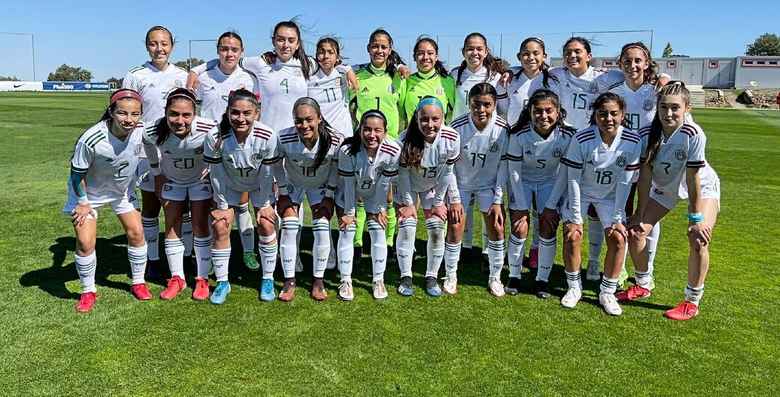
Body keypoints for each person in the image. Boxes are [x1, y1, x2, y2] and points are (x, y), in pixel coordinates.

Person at [625, 81, 721, 321]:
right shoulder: (647, 133)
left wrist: (696, 219)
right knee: (636, 233)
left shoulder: (693, 134)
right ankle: (643, 283)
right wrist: (640, 212)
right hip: (665, 188)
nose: (669, 113)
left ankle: (692, 300)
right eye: (664, 107)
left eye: (675, 108)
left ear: (686, 108)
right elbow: (645, 179)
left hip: (702, 186)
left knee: (698, 238)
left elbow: (693, 180)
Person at [64, 89, 149, 312]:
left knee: (137, 233)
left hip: (120, 191)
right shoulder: (92, 139)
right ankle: (88, 290)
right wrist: (82, 202)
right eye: (122, 113)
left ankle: (138, 282)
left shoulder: (142, 130)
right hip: (86, 194)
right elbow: (76, 175)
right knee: (85, 242)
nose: (129, 119)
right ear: (111, 112)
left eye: (135, 114)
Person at [559, 92, 642, 314]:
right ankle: (574, 287)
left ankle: (607, 291)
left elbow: (625, 182)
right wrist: (576, 217)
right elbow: (573, 179)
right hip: (582, 192)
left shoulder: (633, 140)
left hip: (609, 196)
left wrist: (617, 217)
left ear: (622, 115)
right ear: (595, 115)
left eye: (614, 114)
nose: (608, 119)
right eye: (603, 114)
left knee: (618, 237)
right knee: (572, 234)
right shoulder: (582, 138)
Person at [192, 31, 260, 270]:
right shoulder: (204, 76)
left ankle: (248, 252)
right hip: (209, 148)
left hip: (238, 147)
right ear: (217, 50)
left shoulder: (250, 78)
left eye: (234, 49)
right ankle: (211, 254)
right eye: (224, 48)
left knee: (242, 202)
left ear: (241, 52)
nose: (229, 53)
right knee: (214, 203)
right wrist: (197, 70)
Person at [204, 89, 280, 302]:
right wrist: (221, 203)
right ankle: (222, 282)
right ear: (228, 112)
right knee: (220, 226)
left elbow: (267, 174)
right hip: (228, 185)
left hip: (258, 186)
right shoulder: (215, 136)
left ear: (257, 113)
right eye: (235, 112)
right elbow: (216, 173)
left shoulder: (267, 135)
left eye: (247, 113)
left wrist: (264, 204)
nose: (241, 118)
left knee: (266, 223)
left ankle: (267, 279)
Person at [142, 89, 218, 302]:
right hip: (172, 180)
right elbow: (148, 144)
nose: (179, 120)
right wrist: (157, 173)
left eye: (186, 115)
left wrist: (212, 175)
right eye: (174, 114)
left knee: (200, 225)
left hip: (199, 181)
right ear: (165, 112)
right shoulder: (153, 130)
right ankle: (177, 278)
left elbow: (220, 152)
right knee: (172, 224)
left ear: (195, 114)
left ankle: (202, 278)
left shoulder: (209, 129)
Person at [123, 25, 188, 271]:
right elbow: (126, 114)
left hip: (177, 151)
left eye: (164, 43)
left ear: (172, 46)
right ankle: (152, 258)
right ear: (146, 45)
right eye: (153, 43)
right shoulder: (135, 76)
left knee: (182, 206)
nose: (159, 48)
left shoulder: (182, 76)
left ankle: (186, 256)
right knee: (150, 206)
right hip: (144, 151)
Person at [502, 89, 575, 298]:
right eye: (538, 111)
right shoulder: (519, 135)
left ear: (559, 111)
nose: (543, 116)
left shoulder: (568, 135)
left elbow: (564, 174)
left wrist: (552, 206)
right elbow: (514, 172)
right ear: (530, 112)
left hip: (550, 182)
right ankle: (514, 276)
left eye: (549, 111)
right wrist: (521, 207)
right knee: (520, 227)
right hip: (522, 182)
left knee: (547, 226)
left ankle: (542, 280)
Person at [270, 97, 343, 302]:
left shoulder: (336, 139)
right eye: (299, 120)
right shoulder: (283, 137)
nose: (304, 125)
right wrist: (283, 193)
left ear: (319, 118)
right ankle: (289, 280)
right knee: (290, 224)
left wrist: (329, 196)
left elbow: (336, 170)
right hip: (294, 183)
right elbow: (276, 165)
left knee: (321, 225)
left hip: (320, 185)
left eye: (309, 119)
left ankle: (318, 280)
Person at [497, 36, 559, 270]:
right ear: (518, 57)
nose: (531, 57)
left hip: (547, 147)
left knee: (541, 207)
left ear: (544, 56)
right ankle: (514, 252)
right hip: (516, 146)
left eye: (536, 53)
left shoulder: (553, 79)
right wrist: (510, 71)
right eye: (526, 53)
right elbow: (502, 109)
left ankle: (536, 249)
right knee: (518, 204)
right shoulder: (511, 80)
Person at [395, 96, 462, 297]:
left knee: (436, 227)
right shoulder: (403, 139)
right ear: (416, 118)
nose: (430, 124)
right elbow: (403, 175)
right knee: (407, 227)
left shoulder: (452, 138)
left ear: (443, 118)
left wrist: (439, 202)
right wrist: (408, 204)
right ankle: (406, 276)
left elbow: (448, 173)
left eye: (435, 119)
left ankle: (431, 275)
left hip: (434, 187)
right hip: (408, 187)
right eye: (424, 119)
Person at [350, 29, 407, 263]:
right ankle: (357, 244)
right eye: (375, 46)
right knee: (361, 196)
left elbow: (403, 109)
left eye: (384, 46)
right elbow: (350, 106)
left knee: (389, 197)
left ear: (390, 50)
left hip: (389, 145)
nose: (379, 50)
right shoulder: (358, 76)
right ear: (368, 48)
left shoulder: (397, 77)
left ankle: (389, 242)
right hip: (364, 143)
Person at [449, 83, 508, 296]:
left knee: (496, 226)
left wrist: (498, 200)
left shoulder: (503, 129)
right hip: (461, 185)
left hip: (488, 186)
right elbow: (449, 166)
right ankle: (451, 274)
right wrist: (454, 198)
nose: (481, 110)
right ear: (469, 103)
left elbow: (504, 166)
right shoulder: (456, 126)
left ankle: (495, 277)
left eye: (487, 105)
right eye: (476, 104)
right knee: (456, 226)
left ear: (494, 105)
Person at [335, 110, 400, 300]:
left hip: (376, 192)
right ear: (360, 129)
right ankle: (345, 280)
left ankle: (378, 280)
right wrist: (348, 212)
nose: (372, 135)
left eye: (377, 130)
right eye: (367, 130)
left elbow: (385, 184)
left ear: (385, 132)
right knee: (347, 229)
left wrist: (379, 209)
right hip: (349, 192)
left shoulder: (393, 150)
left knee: (378, 229)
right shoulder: (347, 150)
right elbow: (347, 185)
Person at [400, 37, 457, 125]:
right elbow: (400, 113)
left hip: (438, 137)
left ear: (436, 57)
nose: (426, 57)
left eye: (430, 53)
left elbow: (454, 113)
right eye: (421, 53)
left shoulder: (447, 82)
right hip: (412, 137)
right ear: (414, 57)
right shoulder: (406, 81)